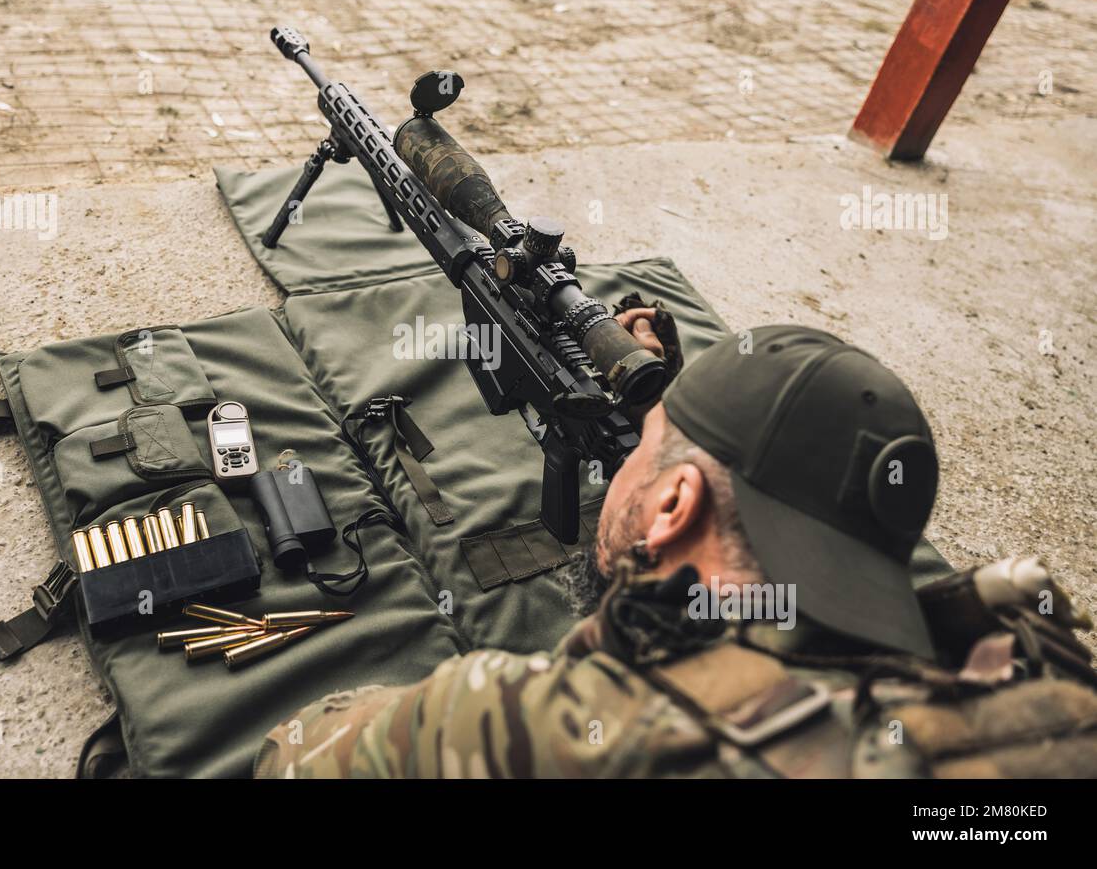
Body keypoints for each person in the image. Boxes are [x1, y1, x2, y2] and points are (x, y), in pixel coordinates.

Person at [254, 316, 1097, 778]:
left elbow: (295, 753)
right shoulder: (1034, 665)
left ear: (674, 503)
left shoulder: (546, 723)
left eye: (642, 448)